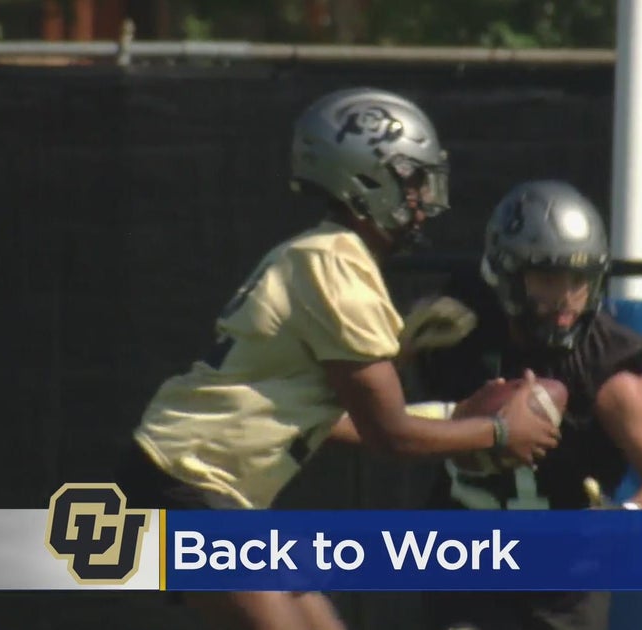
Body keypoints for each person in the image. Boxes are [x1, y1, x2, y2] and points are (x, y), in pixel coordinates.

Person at [111, 88, 561, 630]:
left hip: (210, 489)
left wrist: (452, 415)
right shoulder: (336, 267)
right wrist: (495, 431)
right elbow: (388, 435)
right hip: (184, 484)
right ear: (366, 180)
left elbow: (335, 422)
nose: (423, 197)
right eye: (411, 179)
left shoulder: (327, 256)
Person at [409, 180, 642, 630]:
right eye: (549, 279)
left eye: (578, 281)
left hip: (561, 586)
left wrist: (624, 520)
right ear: (507, 274)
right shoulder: (455, 330)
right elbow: (384, 415)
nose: (566, 302)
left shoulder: (606, 367)